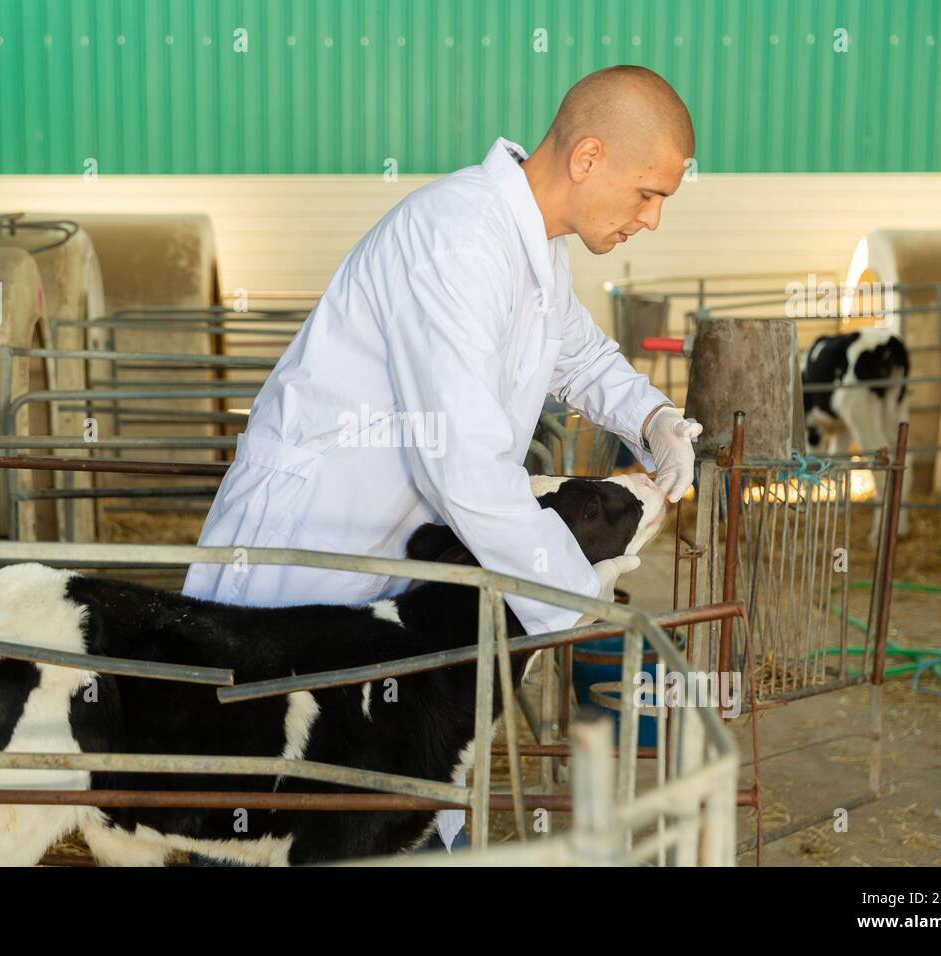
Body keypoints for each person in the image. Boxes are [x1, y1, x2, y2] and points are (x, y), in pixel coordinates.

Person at [183, 65, 702, 853]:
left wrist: (653, 415)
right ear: (588, 158)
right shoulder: (457, 240)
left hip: (385, 556)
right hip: (310, 549)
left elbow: (578, 356)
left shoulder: (530, 247)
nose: (653, 219)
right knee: (273, 793)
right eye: (647, 193)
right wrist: (573, 594)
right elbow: (462, 466)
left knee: (367, 790)